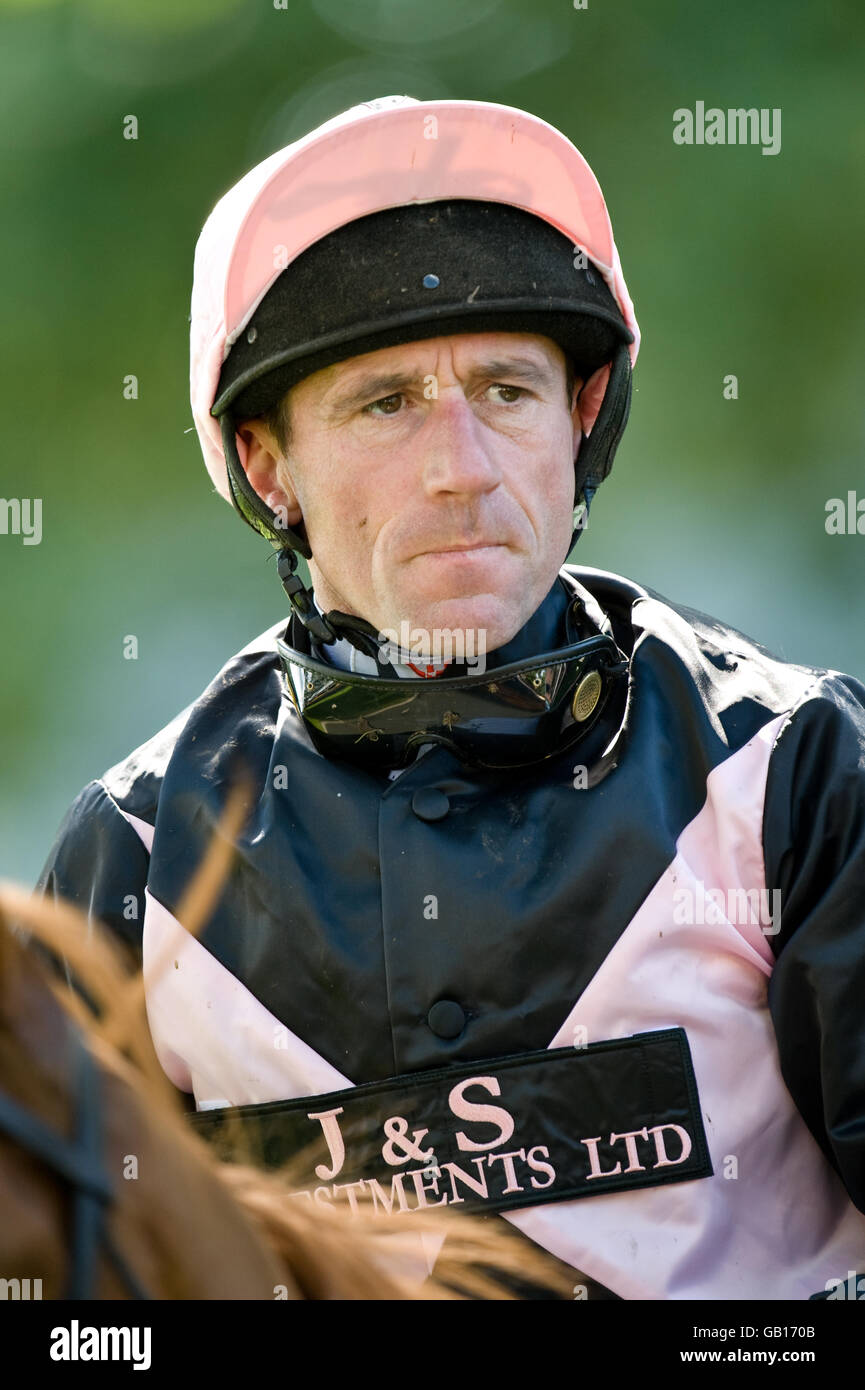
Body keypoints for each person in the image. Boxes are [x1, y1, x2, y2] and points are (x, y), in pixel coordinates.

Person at [38, 95, 865, 1300]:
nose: (461, 469)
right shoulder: (137, 855)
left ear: (579, 420)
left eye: (507, 392)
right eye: (385, 404)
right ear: (270, 468)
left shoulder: (793, 770)